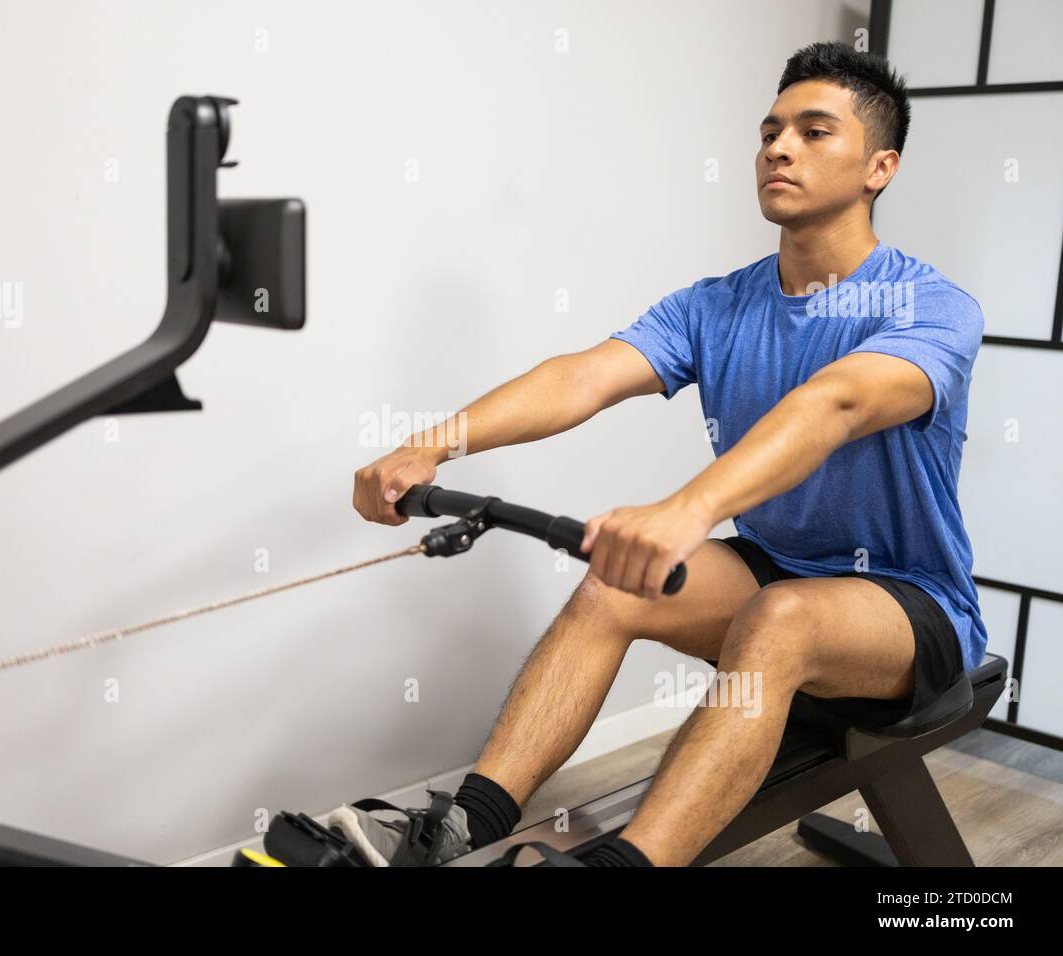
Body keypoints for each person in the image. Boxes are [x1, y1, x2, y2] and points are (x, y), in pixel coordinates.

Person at [339, 40, 986, 867]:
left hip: (910, 605)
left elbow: (836, 402)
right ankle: (461, 827)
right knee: (616, 587)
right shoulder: (718, 304)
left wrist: (687, 510)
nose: (778, 147)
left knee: (779, 619)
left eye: (815, 131)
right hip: (774, 568)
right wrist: (429, 444)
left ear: (879, 168)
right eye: (771, 130)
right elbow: (583, 377)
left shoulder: (931, 306)